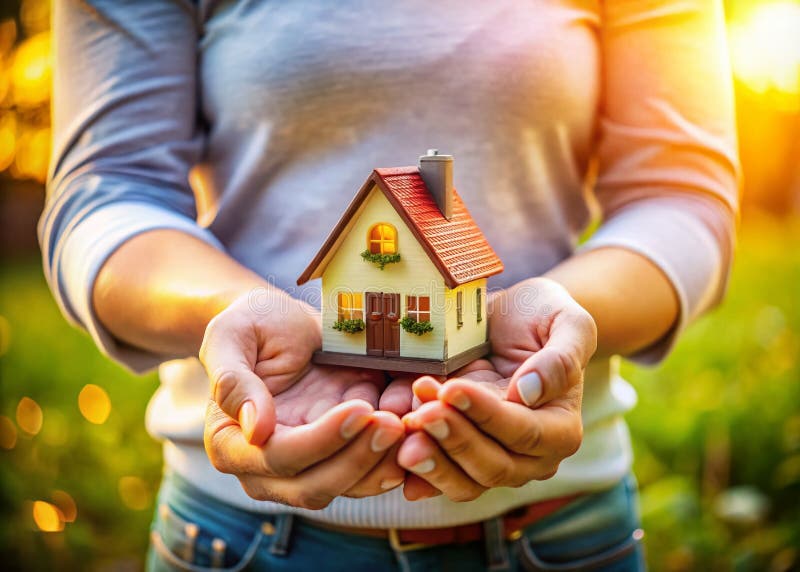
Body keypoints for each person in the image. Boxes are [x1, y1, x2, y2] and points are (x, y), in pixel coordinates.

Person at [40, 1, 739, 570]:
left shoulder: (427, 237)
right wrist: (231, 312)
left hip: (565, 528)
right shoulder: (378, 252)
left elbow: (682, 197)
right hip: (239, 533)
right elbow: (107, 191)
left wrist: (566, 317)